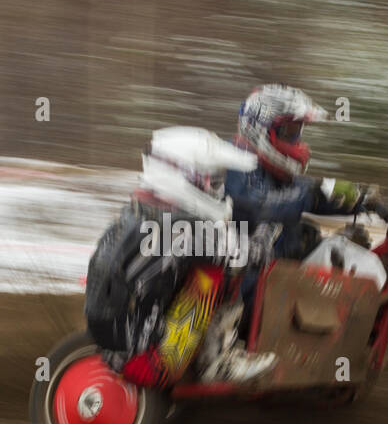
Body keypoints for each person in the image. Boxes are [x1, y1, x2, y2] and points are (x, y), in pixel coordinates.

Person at [84, 127, 280, 388]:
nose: (215, 188)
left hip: (136, 335)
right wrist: (259, 241)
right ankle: (215, 362)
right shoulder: (162, 224)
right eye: (210, 180)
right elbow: (222, 248)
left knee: (219, 264)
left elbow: (209, 240)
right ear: (179, 174)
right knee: (216, 273)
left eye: (216, 181)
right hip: (144, 357)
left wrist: (257, 236)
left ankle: (211, 353)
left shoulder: (148, 212)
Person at [226, 83, 385, 262]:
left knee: (308, 236)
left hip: (270, 269)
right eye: (291, 132)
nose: (297, 142)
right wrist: (312, 195)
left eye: (298, 132)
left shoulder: (271, 172)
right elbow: (259, 204)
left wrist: (362, 200)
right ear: (260, 129)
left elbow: (300, 190)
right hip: (231, 273)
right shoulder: (235, 163)